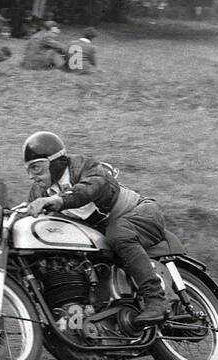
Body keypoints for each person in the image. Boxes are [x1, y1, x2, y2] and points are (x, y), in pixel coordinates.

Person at [22, 131, 172, 326]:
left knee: (118, 233)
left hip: (140, 213)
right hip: (100, 234)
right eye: (28, 169)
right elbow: (33, 219)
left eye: (37, 167)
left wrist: (55, 201)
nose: (32, 175)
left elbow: (88, 190)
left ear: (56, 161)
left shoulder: (85, 166)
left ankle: (156, 300)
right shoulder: (38, 191)